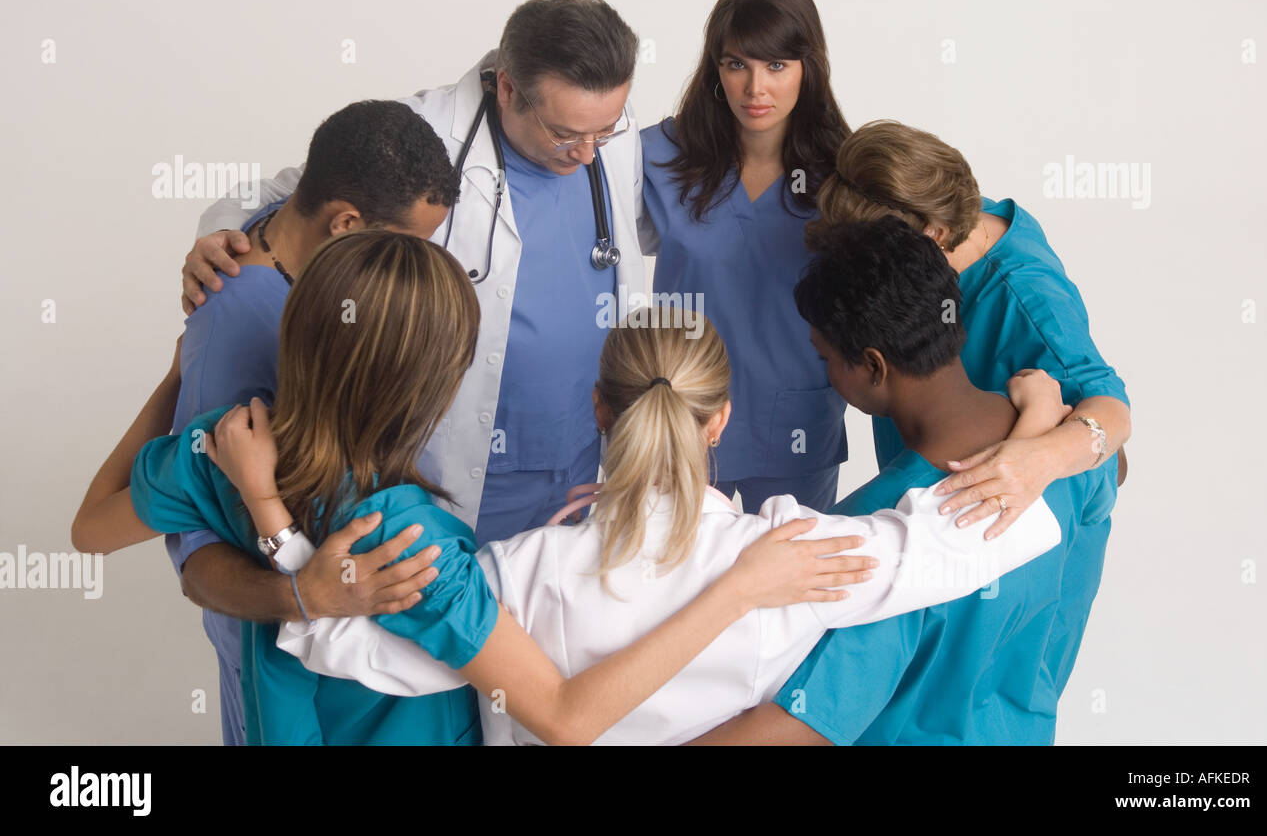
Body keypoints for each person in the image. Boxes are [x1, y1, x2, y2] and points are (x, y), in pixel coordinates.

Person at [72, 231, 871, 745]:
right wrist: (743, 587)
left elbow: (91, 530)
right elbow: (562, 714)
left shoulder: (223, 445)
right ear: (439, 386)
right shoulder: (418, 542)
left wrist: (178, 380)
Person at [247, 306, 1072, 745]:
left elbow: (343, 645)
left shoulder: (514, 570)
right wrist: (1035, 424)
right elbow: (962, 537)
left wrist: (274, 520)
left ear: (600, 408)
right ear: (721, 421)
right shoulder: (792, 558)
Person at [180, 0, 655, 544]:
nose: (589, 152)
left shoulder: (600, 130)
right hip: (448, 463)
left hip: (578, 461)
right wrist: (220, 234)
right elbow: (297, 196)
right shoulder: (418, 132)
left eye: (607, 128)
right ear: (507, 88)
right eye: (566, 134)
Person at [692, 218, 1116, 745]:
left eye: (826, 358)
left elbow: (805, 725)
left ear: (872, 366)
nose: (825, 373)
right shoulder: (1071, 453)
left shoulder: (870, 532)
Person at [161, 98, 458, 746]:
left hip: (368, 640)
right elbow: (199, 551)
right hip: (295, 654)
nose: (419, 272)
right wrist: (308, 596)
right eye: (410, 248)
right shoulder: (235, 321)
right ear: (347, 223)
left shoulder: (319, 270)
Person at [808, 120, 1131, 694]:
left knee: (979, 691)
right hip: (935, 506)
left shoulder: (1023, 300)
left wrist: (1037, 453)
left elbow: (1111, 427)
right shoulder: (956, 208)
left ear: (933, 235)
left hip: (1017, 544)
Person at [640, 0, 851, 512]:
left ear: (810, 67)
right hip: (680, 419)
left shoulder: (845, 175)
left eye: (776, 65)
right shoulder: (658, 157)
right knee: (669, 586)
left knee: (792, 587)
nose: (755, 89)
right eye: (737, 64)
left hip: (795, 426)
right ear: (716, 68)